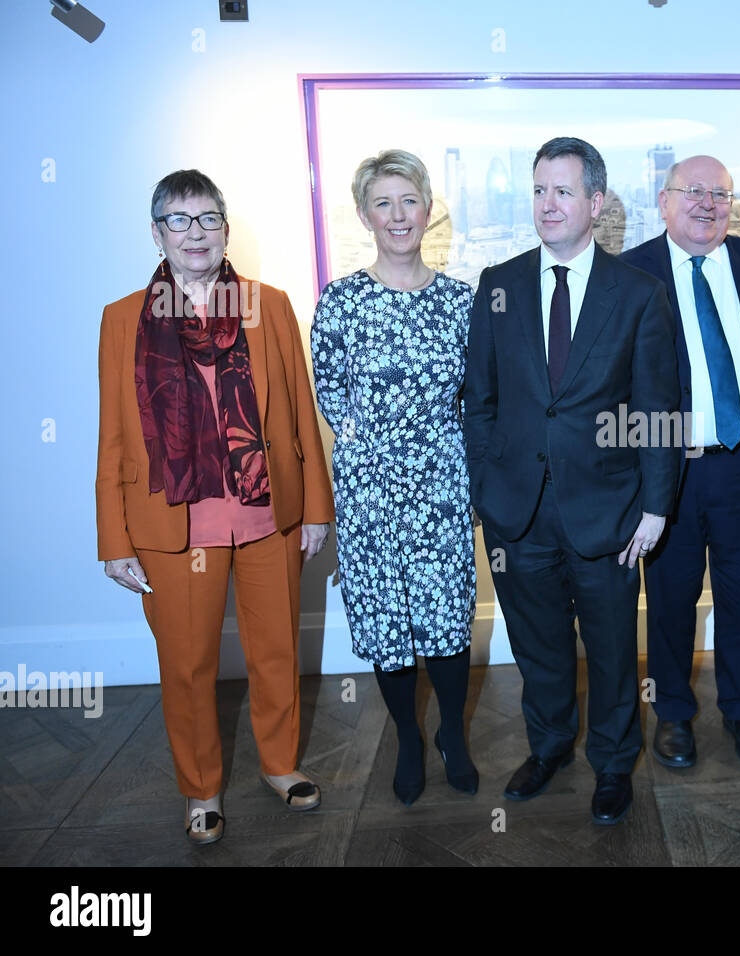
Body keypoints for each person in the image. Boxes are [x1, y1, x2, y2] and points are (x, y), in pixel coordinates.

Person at [96, 170, 333, 845]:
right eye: (180, 219)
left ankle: (281, 765)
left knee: (276, 650)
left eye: (208, 219)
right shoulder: (121, 320)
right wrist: (114, 538)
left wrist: (315, 507)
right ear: (157, 233)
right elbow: (113, 434)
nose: (195, 232)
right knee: (188, 664)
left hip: (265, 516)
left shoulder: (270, 306)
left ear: (226, 230)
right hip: (175, 526)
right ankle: (201, 790)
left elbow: (298, 415)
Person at [464, 137, 678, 825]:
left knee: (614, 652)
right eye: (538, 191)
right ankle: (550, 745)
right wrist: (485, 491)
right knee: (539, 646)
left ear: (595, 202)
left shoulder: (640, 295)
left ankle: (613, 764)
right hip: (517, 513)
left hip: (608, 513)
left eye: (562, 191)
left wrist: (654, 508)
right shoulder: (498, 285)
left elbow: (657, 410)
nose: (547, 204)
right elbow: (481, 401)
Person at [622, 155, 740, 770]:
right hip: (669, 473)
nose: (706, 203)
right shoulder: (630, 275)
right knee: (671, 600)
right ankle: (674, 714)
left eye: (719, 194)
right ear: (664, 200)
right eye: (692, 191)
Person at [311, 149, 478, 805]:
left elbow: (476, 399)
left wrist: (437, 457)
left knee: (447, 621)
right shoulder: (343, 300)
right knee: (386, 624)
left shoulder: (462, 302)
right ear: (364, 215)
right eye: (383, 202)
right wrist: (376, 456)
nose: (398, 214)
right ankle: (409, 737)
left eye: (409, 200)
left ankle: (454, 739)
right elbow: (331, 396)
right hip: (371, 492)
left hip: (442, 485)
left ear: (428, 208)